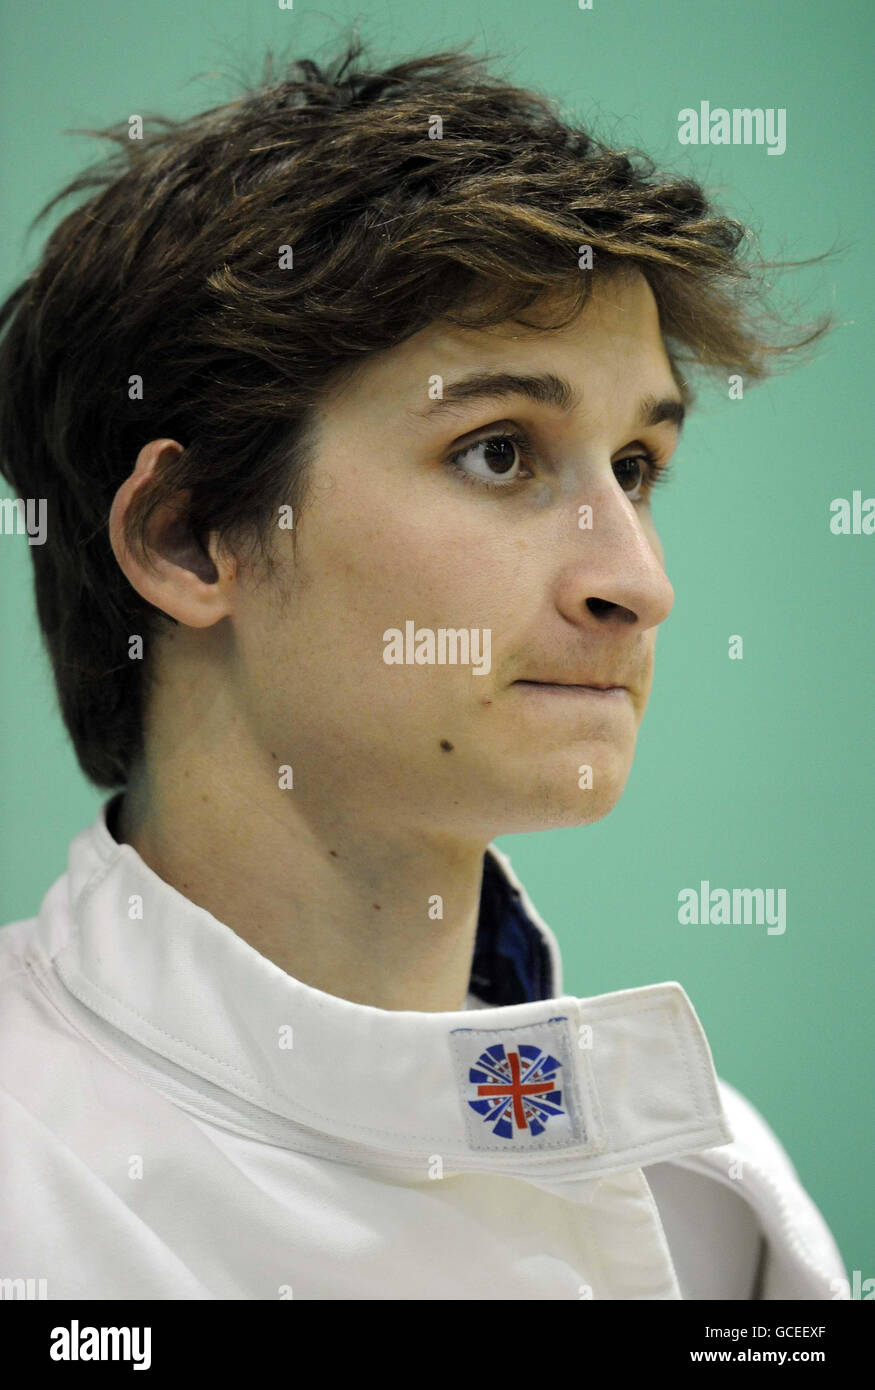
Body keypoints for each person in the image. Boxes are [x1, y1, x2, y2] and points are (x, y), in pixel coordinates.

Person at [0, 40, 848, 1299]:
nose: (637, 579)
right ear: (184, 534)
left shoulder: (713, 1185)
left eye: (634, 468)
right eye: (499, 452)